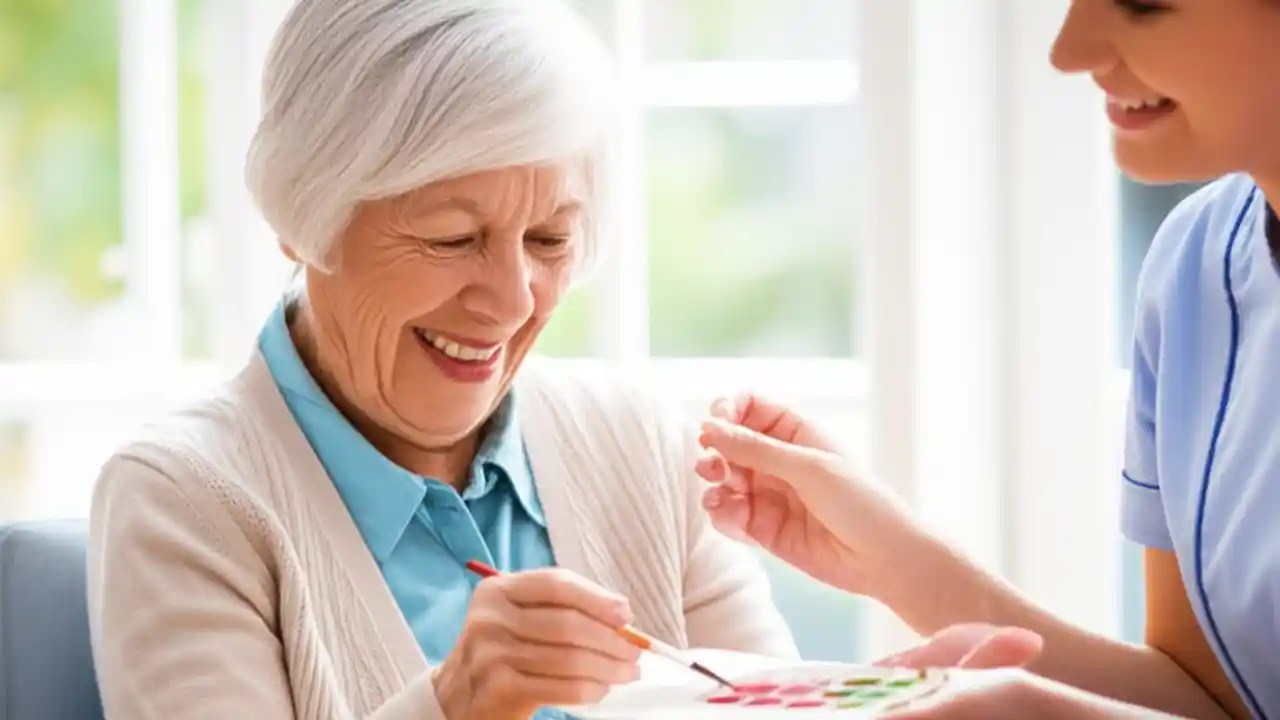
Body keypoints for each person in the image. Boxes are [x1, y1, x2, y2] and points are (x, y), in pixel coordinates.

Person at [85, 2, 796, 718]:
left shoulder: (643, 450)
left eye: (548, 240)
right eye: (452, 239)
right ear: (305, 216)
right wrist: (453, 703)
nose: (513, 302)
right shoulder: (183, 501)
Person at [698, 0, 1280, 718]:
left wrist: (1043, 713)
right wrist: (898, 561)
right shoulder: (1195, 266)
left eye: (1141, 4)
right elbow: (1212, 702)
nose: (1070, 51)